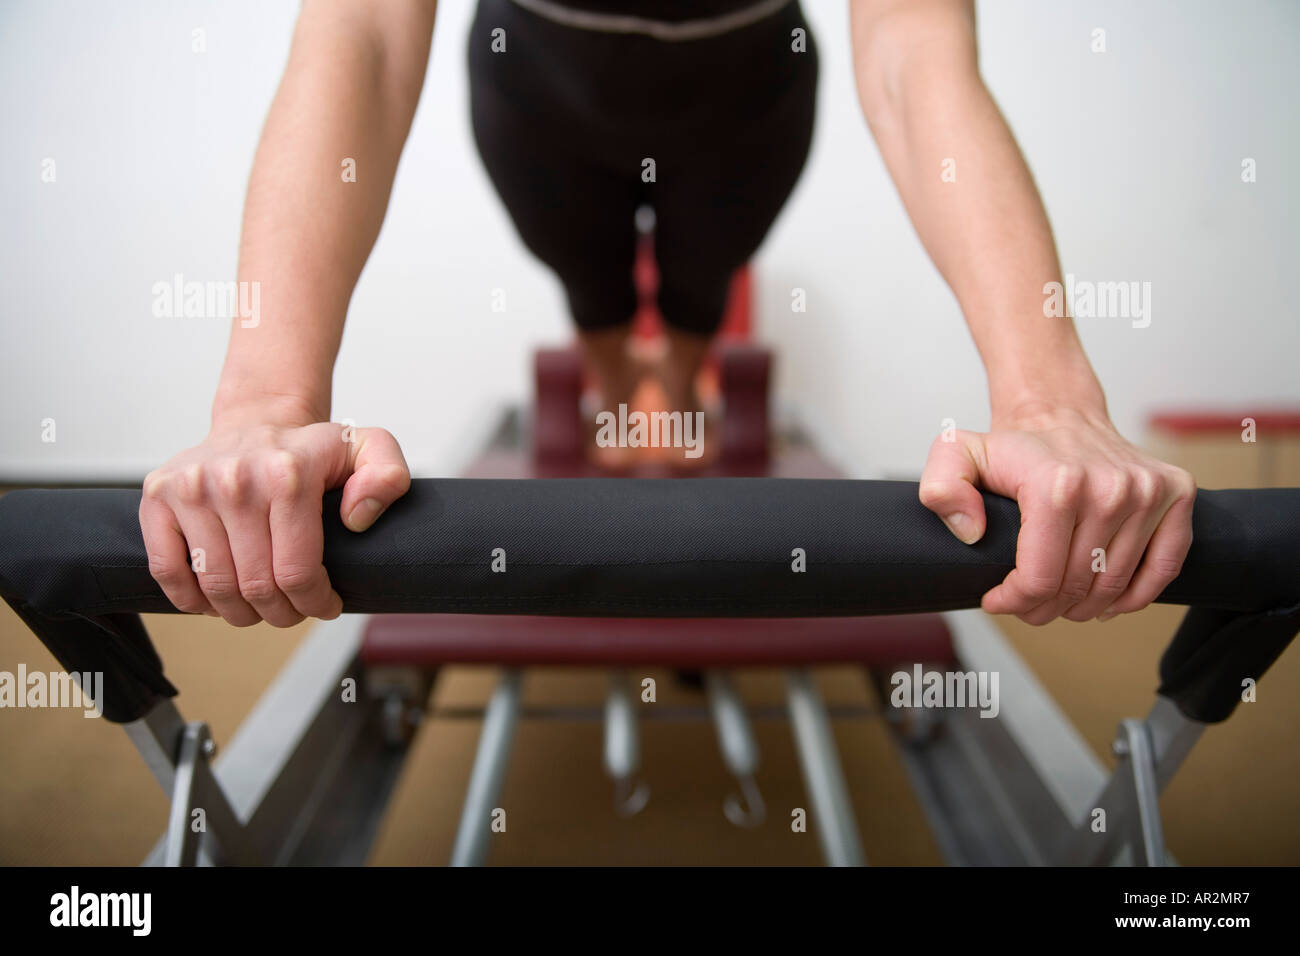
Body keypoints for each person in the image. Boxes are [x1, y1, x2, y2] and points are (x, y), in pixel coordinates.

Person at [140, 0, 1196, 631]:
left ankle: (670, 449)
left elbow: (917, 53)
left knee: (682, 368)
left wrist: (1048, 397)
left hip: (746, 100)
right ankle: (625, 428)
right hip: (536, 92)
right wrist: (266, 401)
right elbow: (362, 33)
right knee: (609, 352)